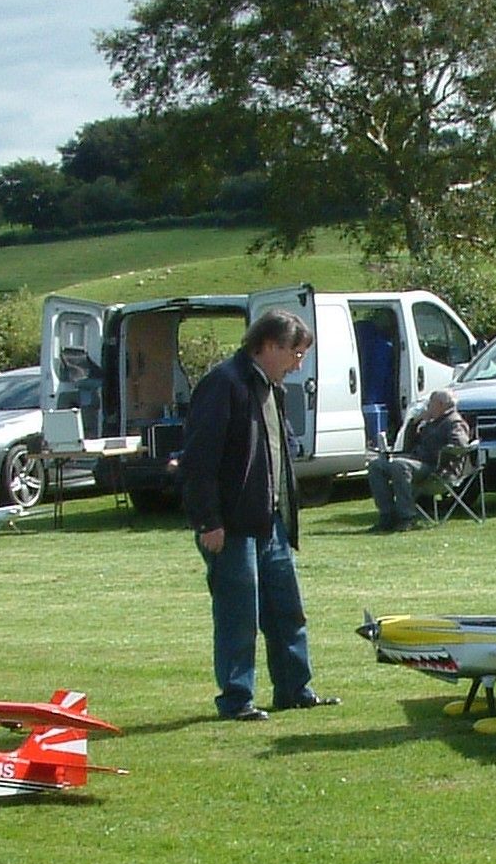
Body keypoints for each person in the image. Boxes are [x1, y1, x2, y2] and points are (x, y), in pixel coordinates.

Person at [179, 308, 338, 721]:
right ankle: (236, 699)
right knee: (238, 615)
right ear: (268, 345)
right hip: (232, 526)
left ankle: (294, 690)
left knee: (287, 610)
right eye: (295, 353)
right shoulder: (224, 384)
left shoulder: (271, 388)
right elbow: (199, 459)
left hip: (271, 523)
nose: (298, 364)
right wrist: (208, 521)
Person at [366, 388, 472, 532]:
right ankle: (387, 515)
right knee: (376, 465)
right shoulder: (432, 422)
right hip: (417, 462)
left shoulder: (454, 422)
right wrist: (415, 423)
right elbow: (408, 445)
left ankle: (407, 517)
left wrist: (438, 452)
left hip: (438, 468)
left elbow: (460, 445)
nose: (428, 407)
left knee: (400, 466)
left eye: (431, 404)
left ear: (441, 405)